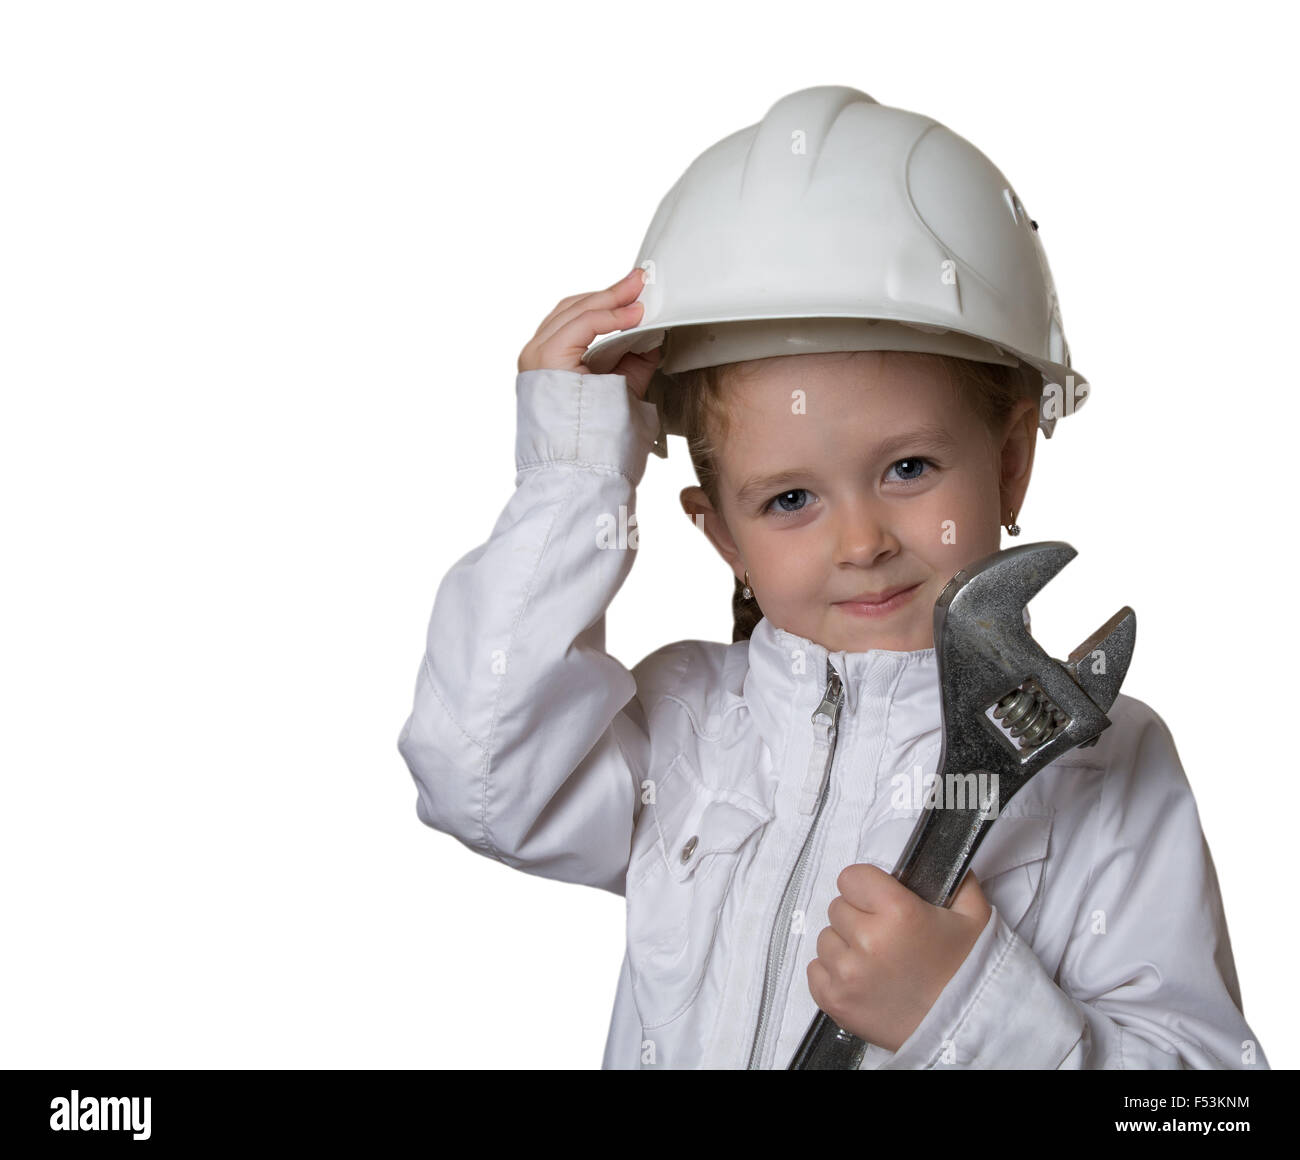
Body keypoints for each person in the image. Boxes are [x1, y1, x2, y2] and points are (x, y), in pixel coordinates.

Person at [396, 87, 1268, 1069]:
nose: (860, 541)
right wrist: (569, 474)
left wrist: (970, 1012)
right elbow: (476, 772)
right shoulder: (686, 723)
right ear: (719, 531)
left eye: (907, 469)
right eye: (788, 500)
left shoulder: (1102, 767)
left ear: (1012, 460)